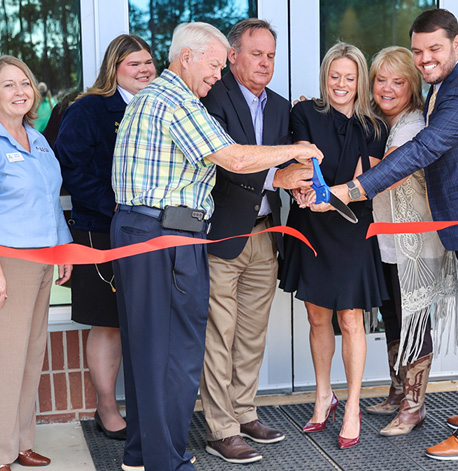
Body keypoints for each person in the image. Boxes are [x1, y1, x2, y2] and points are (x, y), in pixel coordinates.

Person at [110, 22, 321, 471]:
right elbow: (236, 159)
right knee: (175, 354)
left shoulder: (160, 99)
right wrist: (295, 149)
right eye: (214, 62)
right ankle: (167, 460)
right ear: (187, 56)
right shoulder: (175, 101)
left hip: (150, 231)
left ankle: (142, 455)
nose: (218, 73)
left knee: (151, 351)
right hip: (164, 236)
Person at [328, 9, 458, 460]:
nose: (424, 59)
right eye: (418, 51)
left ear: (457, 44)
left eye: (434, 49)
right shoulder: (446, 83)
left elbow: (425, 148)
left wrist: (352, 188)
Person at [198, 18, 313, 464]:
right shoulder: (212, 98)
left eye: (270, 55)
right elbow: (223, 164)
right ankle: (220, 428)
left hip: (266, 234)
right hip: (222, 233)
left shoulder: (283, 107)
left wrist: (299, 182)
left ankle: (244, 413)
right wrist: (277, 175)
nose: (264, 63)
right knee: (219, 334)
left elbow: (288, 163)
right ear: (232, 56)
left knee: (250, 334)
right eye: (255, 54)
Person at [0, 55, 73, 471]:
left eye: (25, 83)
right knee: (0, 363)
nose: (19, 91)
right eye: (8, 84)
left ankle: (21, 443)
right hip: (4, 264)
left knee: (30, 357)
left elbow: (50, 201)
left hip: (42, 262)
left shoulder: (39, 139)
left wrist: (63, 248)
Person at [281, 42, 387, 451]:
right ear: (325, 78)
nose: (341, 84)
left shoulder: (374, 127)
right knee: (317, 317)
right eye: (334, 76)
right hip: (311, 227)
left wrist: (333, 198)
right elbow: (300, 164)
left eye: (349, 77)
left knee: (351, 319)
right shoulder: (304, 113)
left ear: (360, 80)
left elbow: (368, 182)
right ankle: (324, 396)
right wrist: (306, 192)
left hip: (351, 229)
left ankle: (354, 405)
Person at [54, 34, 156, 441]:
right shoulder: (89, 109)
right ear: (114, 68)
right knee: (108, 323)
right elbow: (72, 168)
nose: (145, 69)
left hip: (150, 232)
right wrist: (114, 207)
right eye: (134, 63)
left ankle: (147, 407)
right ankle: (107, 409)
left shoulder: (159, 106)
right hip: (100, 230)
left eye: (149, 62)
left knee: (144, 319)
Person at [365, 46, 458, 437]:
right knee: (393, 319)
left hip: (416, 245)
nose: (387, 88)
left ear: (412, 86)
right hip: (389, 242)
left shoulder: (414, 125)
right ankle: (398, 390)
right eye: (380, 80)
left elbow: (391, 172)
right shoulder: (381, 123)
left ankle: (414, 406)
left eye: (398, 81)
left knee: (414, 324)